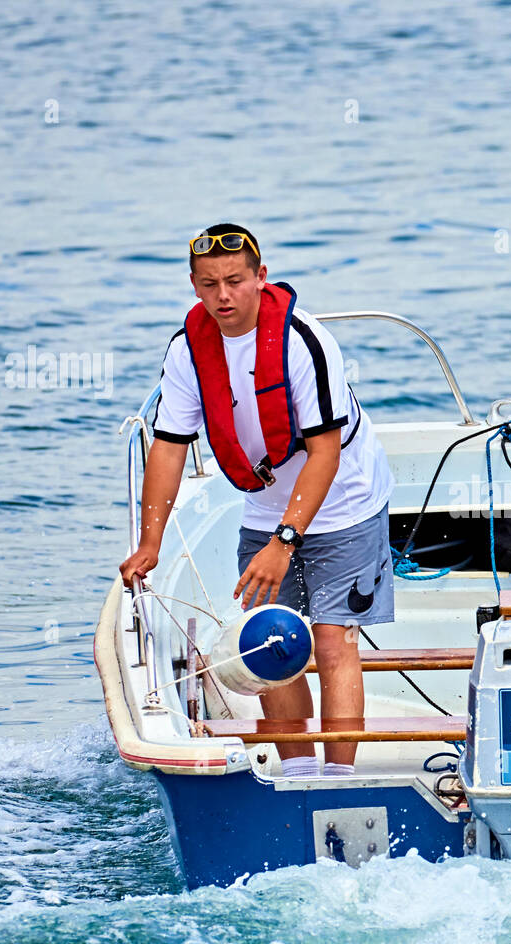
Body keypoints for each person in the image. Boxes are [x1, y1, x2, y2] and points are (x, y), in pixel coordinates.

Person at [119, 224, 395, 779]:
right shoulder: (186, 351)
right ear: (194, 287)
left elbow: (324, 454)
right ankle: (298, 776)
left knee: (335, 642)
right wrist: (151, 542)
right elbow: (170, 449)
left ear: (260, 279)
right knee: (272, 641)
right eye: (209, 283)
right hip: (267, 506)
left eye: (236, 281)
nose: (224, 296)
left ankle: (338, 779)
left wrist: (284, 543)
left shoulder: (304, 341)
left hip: (345, 501)